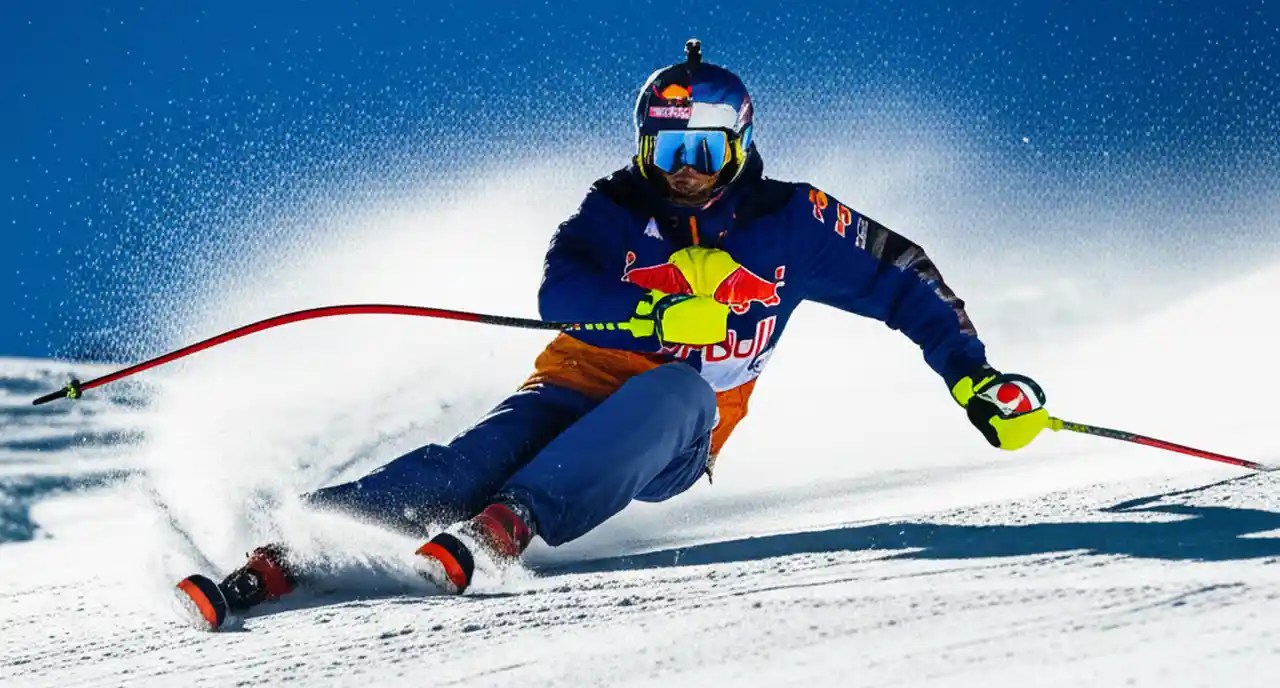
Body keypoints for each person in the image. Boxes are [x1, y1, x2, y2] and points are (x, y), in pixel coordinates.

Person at [177, 40, 1051, 628]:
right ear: (642, 151)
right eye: (667, 155)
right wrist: (650, 312)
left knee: (678, 387)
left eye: (703, 155)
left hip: (671, 431)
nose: (685, 177)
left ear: (741, 148)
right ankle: (287, 554)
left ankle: (506, 526)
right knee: (464, 462)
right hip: (569, 386)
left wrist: (975, 378)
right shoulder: (614, 206)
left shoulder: (792, 222)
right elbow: (563, 286)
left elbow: (904, 278)